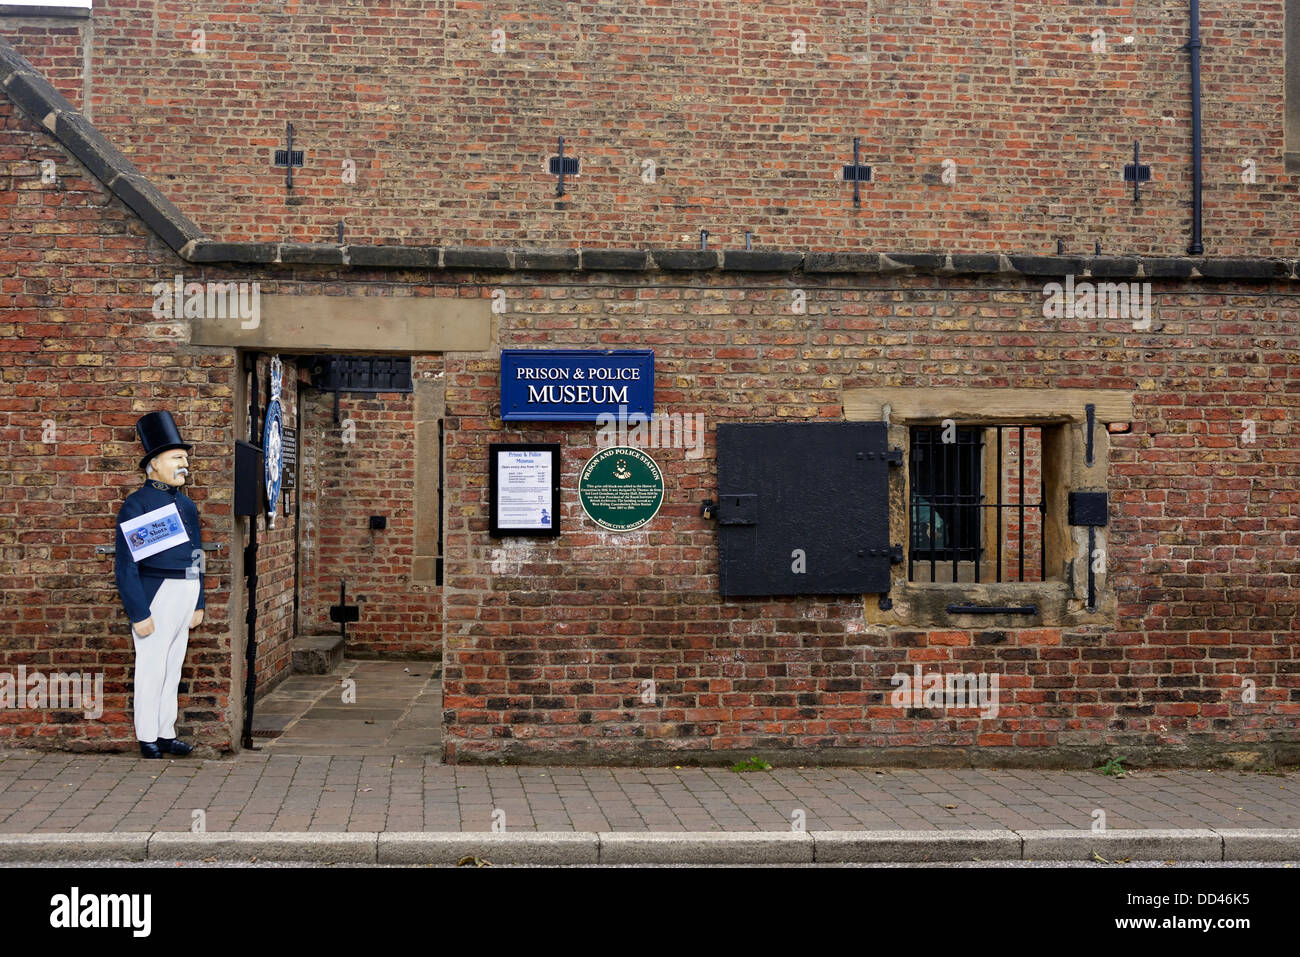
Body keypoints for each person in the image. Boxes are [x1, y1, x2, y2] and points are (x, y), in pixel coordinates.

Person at [113, 411, 205, 759]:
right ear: (153, 464)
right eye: (176, 458)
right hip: (156, 593)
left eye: (185, 459)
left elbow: (197, 554)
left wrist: (200, 602)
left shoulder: (187, 504)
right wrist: (139, 612)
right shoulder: (137, 503)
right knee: (151, 667)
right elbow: (126, 564)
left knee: (173, 667)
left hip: (185, 591)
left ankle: (166, 731)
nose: (184, 464)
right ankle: (147, 735)